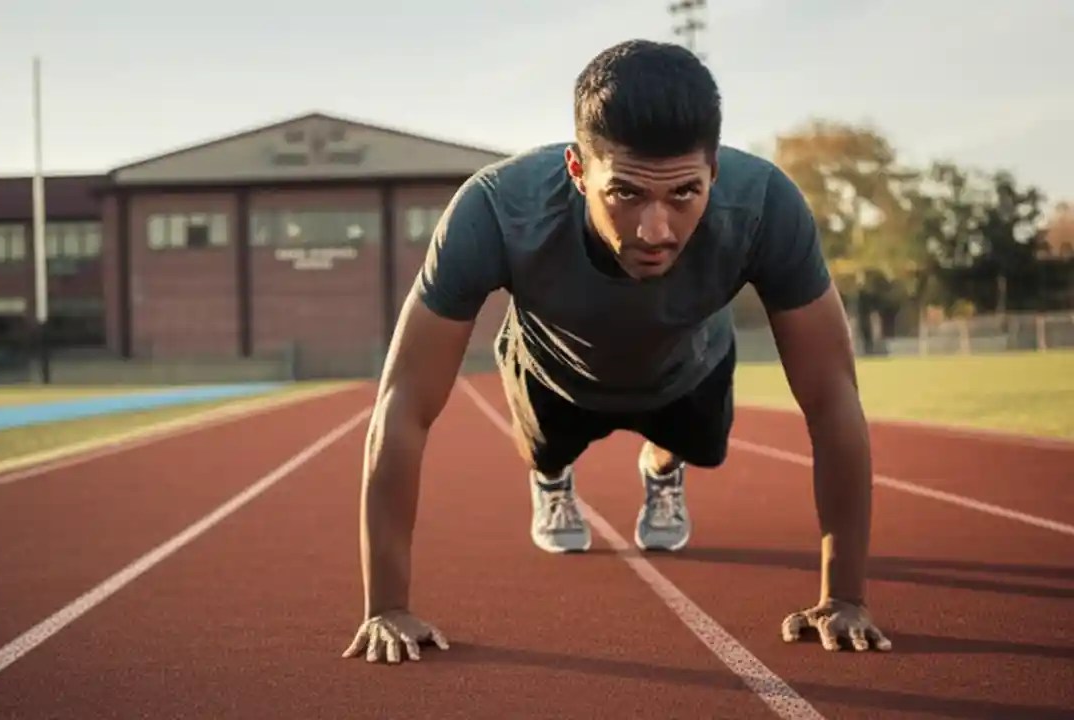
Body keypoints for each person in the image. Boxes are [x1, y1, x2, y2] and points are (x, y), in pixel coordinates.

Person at [342, 39, 891, 664]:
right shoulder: (494, 210)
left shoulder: (766, 206)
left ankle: (661, 469)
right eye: (626, 193)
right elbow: (404, 401)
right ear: (578, 171)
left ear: (714, 170)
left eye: (684, 193)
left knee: (682, 437)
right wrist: (386, 606)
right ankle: (551, 477)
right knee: (545, 450)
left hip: (689, 366)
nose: (655, 231)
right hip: (553, 371)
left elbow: (832, 397)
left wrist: (844, 595)